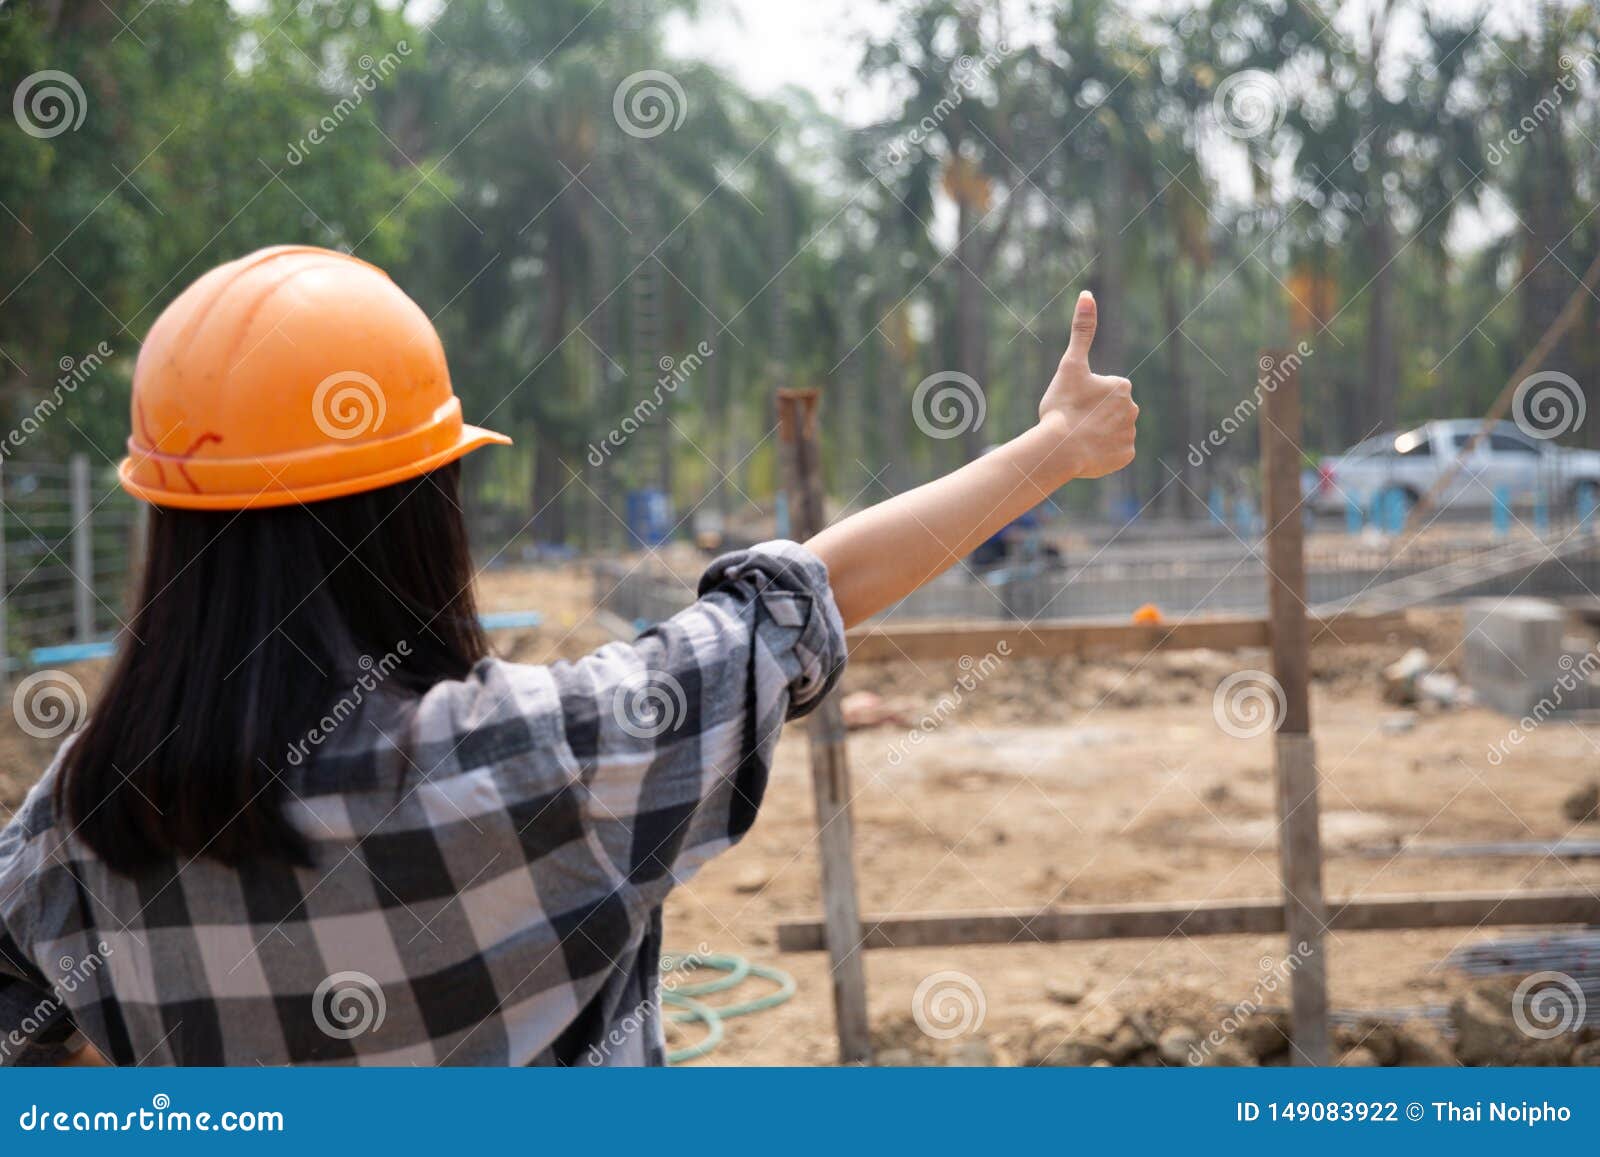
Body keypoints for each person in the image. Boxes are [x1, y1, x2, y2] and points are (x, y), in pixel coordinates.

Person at [0, 245, 1135, 1066]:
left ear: (170, 530)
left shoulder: (74, 828)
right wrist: (1054, 448)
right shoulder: (541, 760)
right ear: (418, 512)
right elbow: (799, 596)